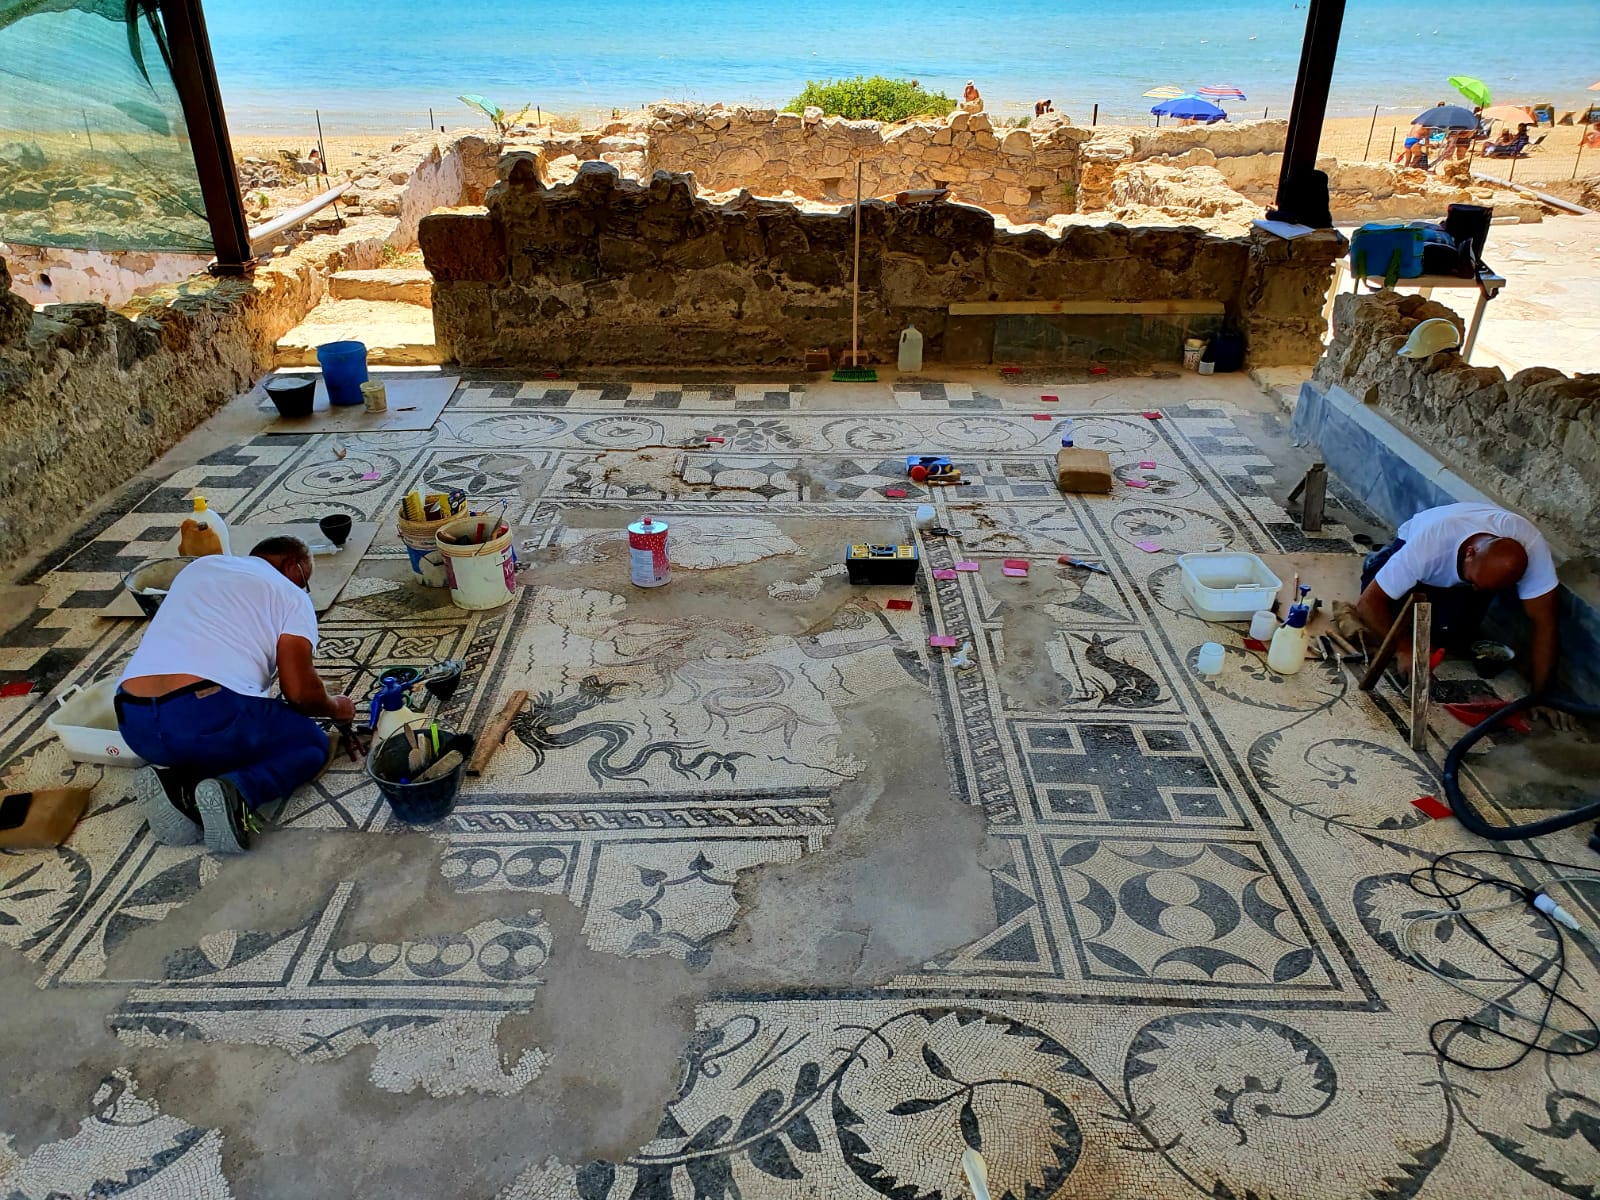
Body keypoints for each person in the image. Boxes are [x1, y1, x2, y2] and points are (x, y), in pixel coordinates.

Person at [116, 536, 355, 854]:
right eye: (304, 579)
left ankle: (177, 786)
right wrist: (335, 707)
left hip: (134, 722)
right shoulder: (291, 597)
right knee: (310, 743)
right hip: (206, 712)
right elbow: (299, 693)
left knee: (214, 736)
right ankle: (237, 793)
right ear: (291, 565)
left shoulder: (200, 567)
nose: (303, 588)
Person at [1355, 502, 1569, 726]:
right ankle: (1379, 561)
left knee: (1450, 635)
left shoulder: (1532, 548)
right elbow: (1367, 603)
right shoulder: (1428, 547)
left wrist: (1542, 694)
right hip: (1415, 542)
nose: (1477, 590)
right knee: (1386, 612)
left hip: (1454, 568)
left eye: (1484, 589)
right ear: (1470, 553)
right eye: (1475, 582)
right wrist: (1403, 649)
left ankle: (1445, 592)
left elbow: (1546, 624)